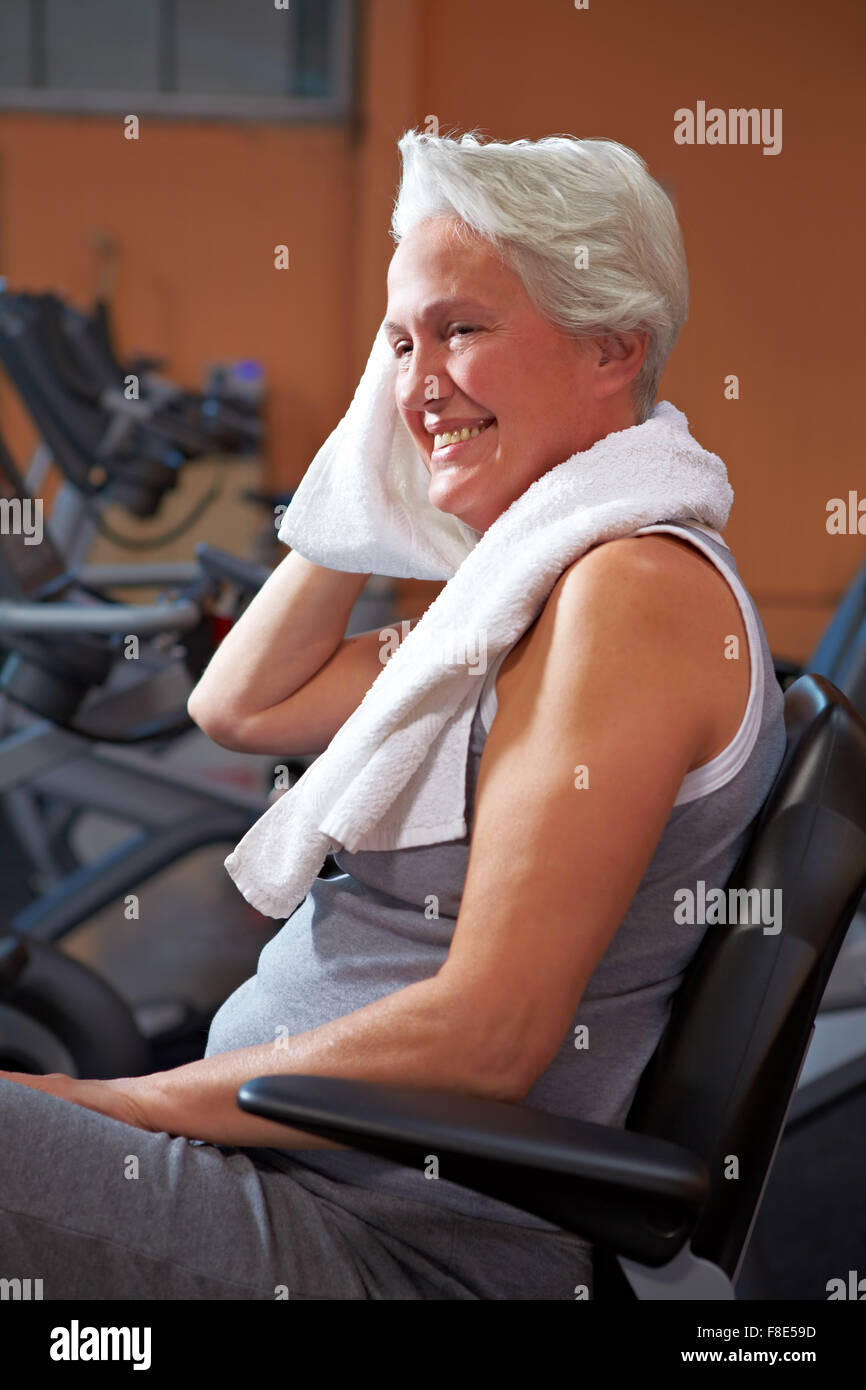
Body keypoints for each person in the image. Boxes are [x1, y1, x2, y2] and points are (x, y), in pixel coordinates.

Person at [0, 129, 785, 1300]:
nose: (415, 379)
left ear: (613, 343)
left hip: (402, 1243)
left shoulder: (623, 597)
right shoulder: (521, 590)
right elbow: (238, 701)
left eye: (463, 327)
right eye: (397, 342)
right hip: (313, 1181)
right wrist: (408, 424)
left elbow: (487, 1036)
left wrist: (112, 1106)